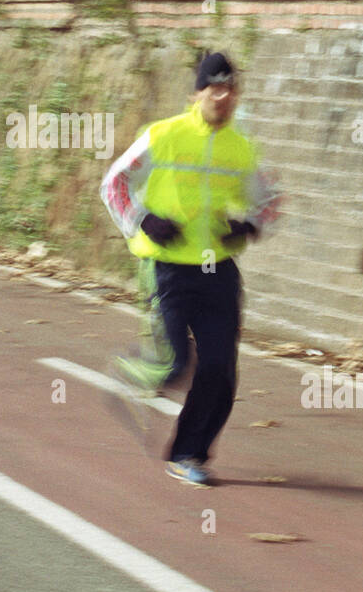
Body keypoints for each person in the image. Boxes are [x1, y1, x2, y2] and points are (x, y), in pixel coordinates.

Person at [100, 51, 280, 486]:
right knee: (174, 363)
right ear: (196, 94)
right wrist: (142, 219)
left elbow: (271, 200)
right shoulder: (163, 136)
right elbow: (113, 182)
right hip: (167, 269)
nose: (222, 96)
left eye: (230, 89)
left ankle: (189, 454)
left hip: (217, 270)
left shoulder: (241, 148)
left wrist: (249, 225)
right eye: (213, 88)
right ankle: (133, 372)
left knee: (220, 369)